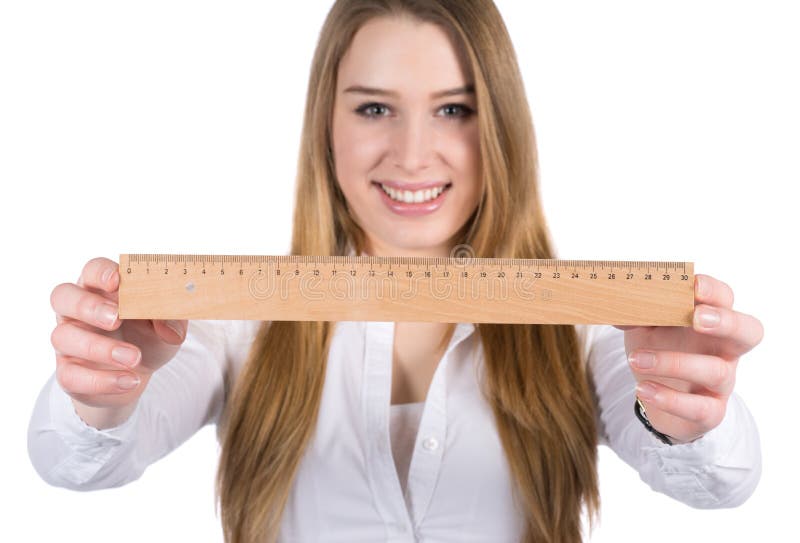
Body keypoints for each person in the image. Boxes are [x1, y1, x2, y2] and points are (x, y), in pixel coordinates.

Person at [28, 1, 765, 542]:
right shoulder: (233, 322)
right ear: (327, 126)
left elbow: (722, 483)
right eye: (376, 106)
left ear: (502, 129)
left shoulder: (576, 332)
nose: (413, 155)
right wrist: (106, 385)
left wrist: (686, 412)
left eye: (454, 109)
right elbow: (73, 463)